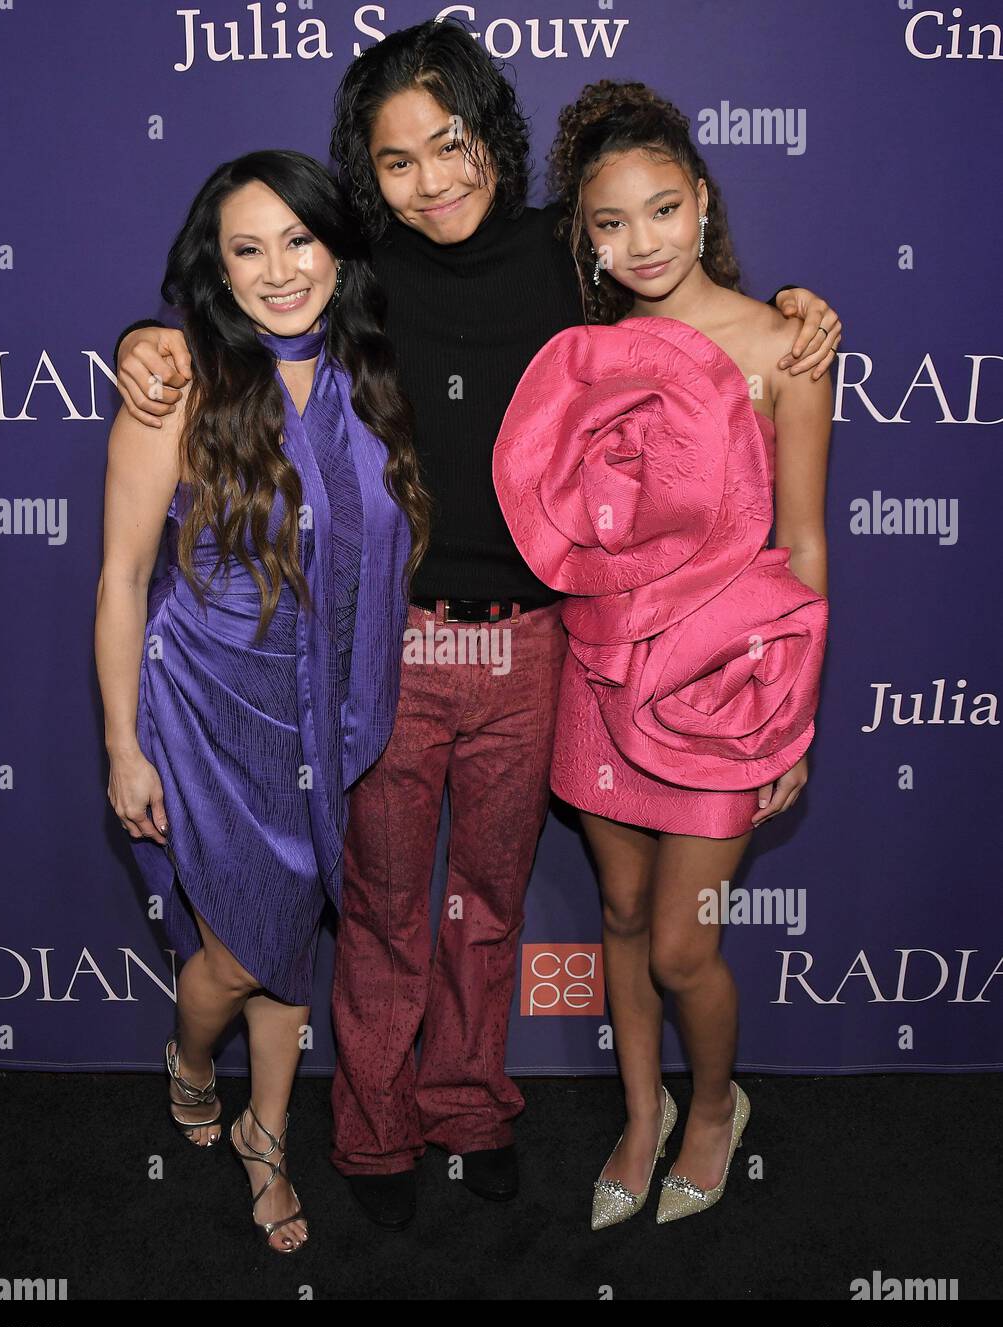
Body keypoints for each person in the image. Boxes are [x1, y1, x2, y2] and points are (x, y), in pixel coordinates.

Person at [110, 18, 841, 1232]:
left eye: (450, 144)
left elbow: (695, 316)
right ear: (367, 174)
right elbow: (245, 310)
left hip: (538, 641)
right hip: (391, 640)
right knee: (388, 904)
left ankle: (467, 1104)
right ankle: (374, 1123)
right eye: (397, 162)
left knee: (488, 902)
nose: (432, 178)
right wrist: (154, 340)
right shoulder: (355, 269)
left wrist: (796, 309)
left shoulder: (574, 258)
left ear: (489, 139)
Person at [492, 79, 830, 1227]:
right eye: (608, 221)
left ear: (700, 203)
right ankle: (640, 1115)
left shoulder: (787, 343)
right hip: (597, 665)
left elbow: (803, 537)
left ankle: (715, 1106)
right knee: (622, 917)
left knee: (685, 949)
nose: (640, 241)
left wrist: (793, 712)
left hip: (726, 688)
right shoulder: (582, 355)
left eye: (661, 209)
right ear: (584, 239)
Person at [94, 149, 428, 1254]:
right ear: (216, 266)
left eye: (300, 239)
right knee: (240, 952)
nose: (280, 269)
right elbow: (120, 576)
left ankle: (265, 1133)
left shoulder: (369, 367)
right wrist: (120, 746)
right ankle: (192, 1058)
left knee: (290, 931)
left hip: (324, 712)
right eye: (249, 247)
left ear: (336, 247)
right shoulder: (178, 379)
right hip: (205, 710)